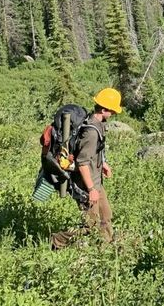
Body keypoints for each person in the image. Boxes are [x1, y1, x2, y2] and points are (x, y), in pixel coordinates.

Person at [50, 87, 122, 249]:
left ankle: (106, 250)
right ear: (104, 109)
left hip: (95, 180)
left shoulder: (97, 124)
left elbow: (93, 152)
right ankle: (57, 241)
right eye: (112, 111)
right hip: (86, 184)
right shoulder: (91, 132)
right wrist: (91, 189)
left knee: (106, 217)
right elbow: (82, 163)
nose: (114, 114)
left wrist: (102, 163)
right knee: (91, 225)